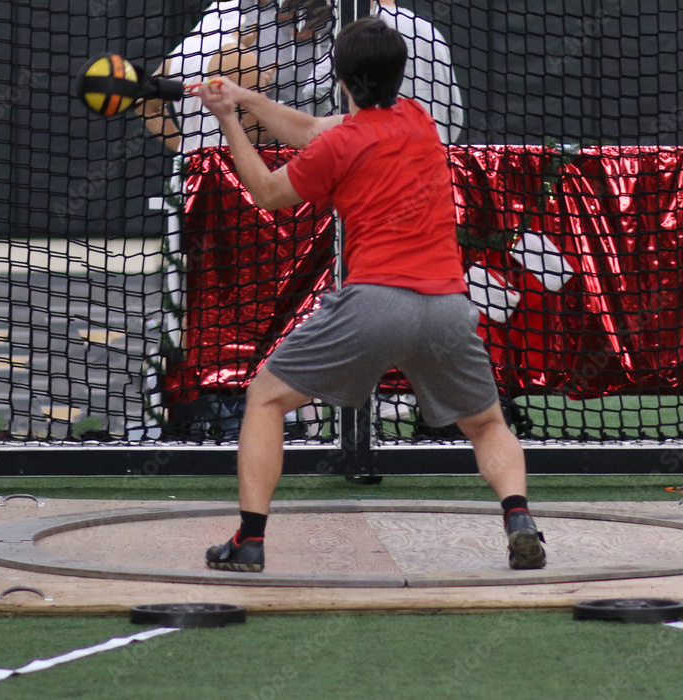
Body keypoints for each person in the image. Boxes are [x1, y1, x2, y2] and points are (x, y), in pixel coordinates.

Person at [195, 16, 545, 572]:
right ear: (398, 75)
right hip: (450, 307)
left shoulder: (340, 145)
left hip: (375, 303)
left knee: (264, 398)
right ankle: (520, 517)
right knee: (485, 424)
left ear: (340, 77)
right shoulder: (418, 119)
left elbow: (266, 192)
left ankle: (250, 541)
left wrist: (228, 120)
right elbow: (312, 129)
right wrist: (243, 97)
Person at [137, 0, 335, 152]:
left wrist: (186, 150)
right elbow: (259, 136)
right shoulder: (233, 41)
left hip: (194, 172)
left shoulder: (183, 51)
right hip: (244, 173)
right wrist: (257, 93)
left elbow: (144, 104)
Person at [372, 0, 464, 144]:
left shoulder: (352, 32)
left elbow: (326, 92)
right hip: (435, 158)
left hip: (382, 158)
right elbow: (455, 116)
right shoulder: (431, 32)